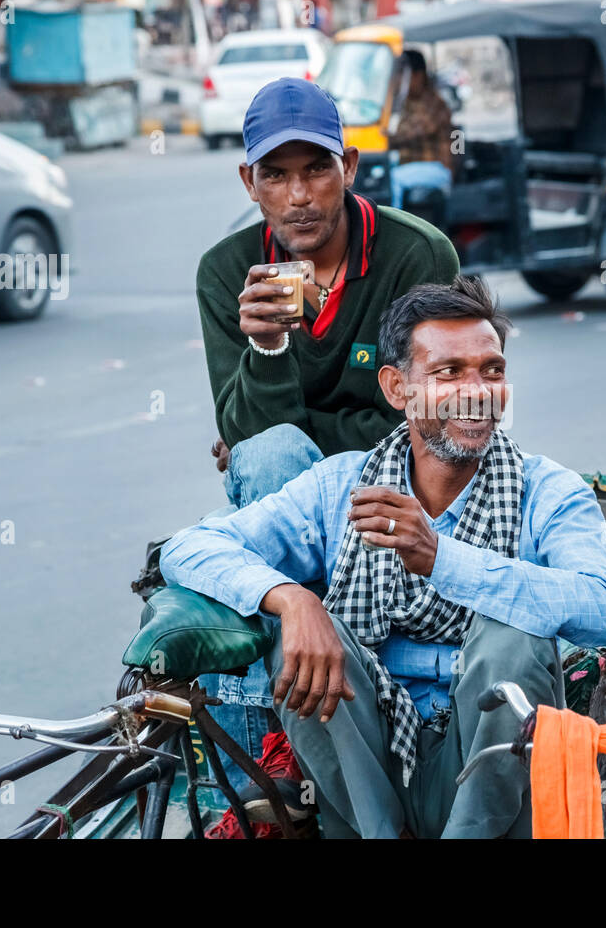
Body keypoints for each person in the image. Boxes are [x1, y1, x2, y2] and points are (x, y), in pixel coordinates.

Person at [160, 277, 606, 837]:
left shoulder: (549, 491)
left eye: (492, 371)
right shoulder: (342, 487)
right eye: (448, 372)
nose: (476, 390)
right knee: (294, 634)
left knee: (514, 635)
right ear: (397, 388)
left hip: (491, 764)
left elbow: (604, 609)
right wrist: (291, 600)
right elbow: (191, 547)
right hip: (368, 763)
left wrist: (441, 559)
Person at [192, 76, 460, 806]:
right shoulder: (227, 273)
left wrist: (311, 436)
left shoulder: (415, 255)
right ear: (250, 182)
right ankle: (304, 673)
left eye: (316, 169)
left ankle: (308, 711)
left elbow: (427, 424)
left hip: (394, 489)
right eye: (276, 175)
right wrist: (271, 349)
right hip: (295, 493)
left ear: (350, 167)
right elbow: (250, 435)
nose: (300, 195)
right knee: (275, 455)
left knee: (284, 452)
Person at [388, 50, 455, 210]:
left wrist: (382, 136)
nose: (397, 80)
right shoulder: (406, 102)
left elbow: (407, 134)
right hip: (412, 167)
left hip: (438, 169)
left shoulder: (434, 103)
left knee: (392, 179)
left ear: (417, 76)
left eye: (402, 75)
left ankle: (394, 227)